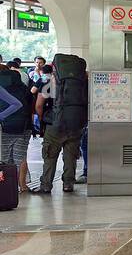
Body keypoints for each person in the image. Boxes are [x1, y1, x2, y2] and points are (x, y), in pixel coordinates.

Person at [34, 58, 86, 194]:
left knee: (50, 155)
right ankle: (68, 184)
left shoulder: (50, 83)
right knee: (71, 156)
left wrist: (42, 119)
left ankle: (46, 185)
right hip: (76, 124)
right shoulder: (83, 84)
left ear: (56, 68)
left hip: (55, 124)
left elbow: (39, 105)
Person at [0, 60, 33, 192]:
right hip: (24, 127)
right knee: (21, 157)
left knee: (3, 159)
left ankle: (6, 187)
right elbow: (30, 105)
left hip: (4, 128)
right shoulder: (21, 86)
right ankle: (23, 186)